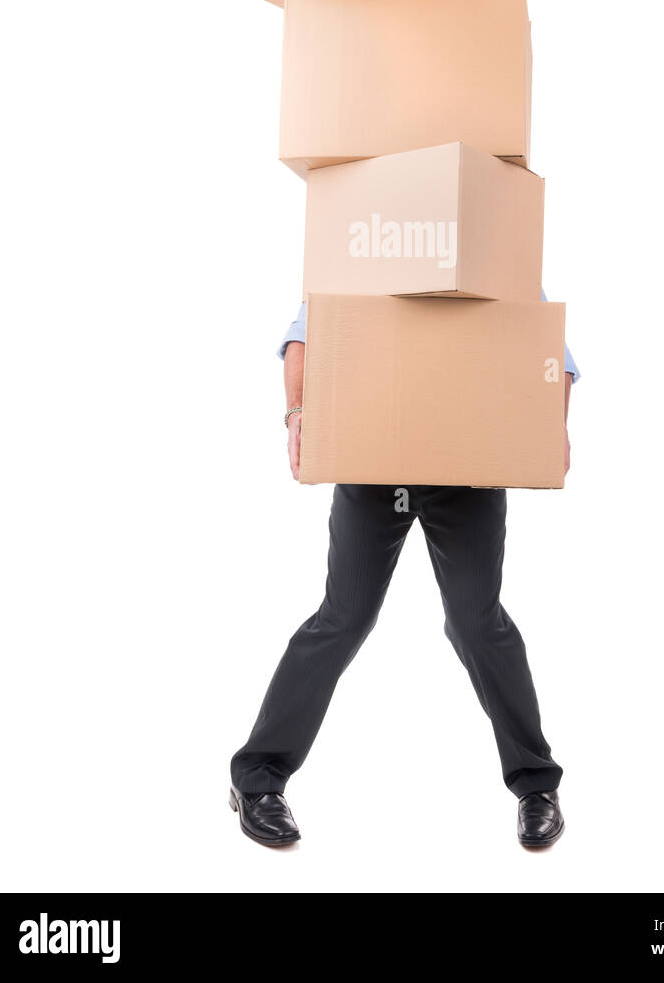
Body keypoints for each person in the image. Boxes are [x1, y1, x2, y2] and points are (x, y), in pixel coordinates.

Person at [229, 292, 578, 849]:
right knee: (345, 617)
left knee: (476, 622)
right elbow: (305, 334)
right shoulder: (371, 241)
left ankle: (537, 786)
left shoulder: (492, 253)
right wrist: (296, 414)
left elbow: (550, 352)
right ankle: (257, 780)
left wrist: (548, 424)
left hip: (466, 467)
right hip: (374, 461)